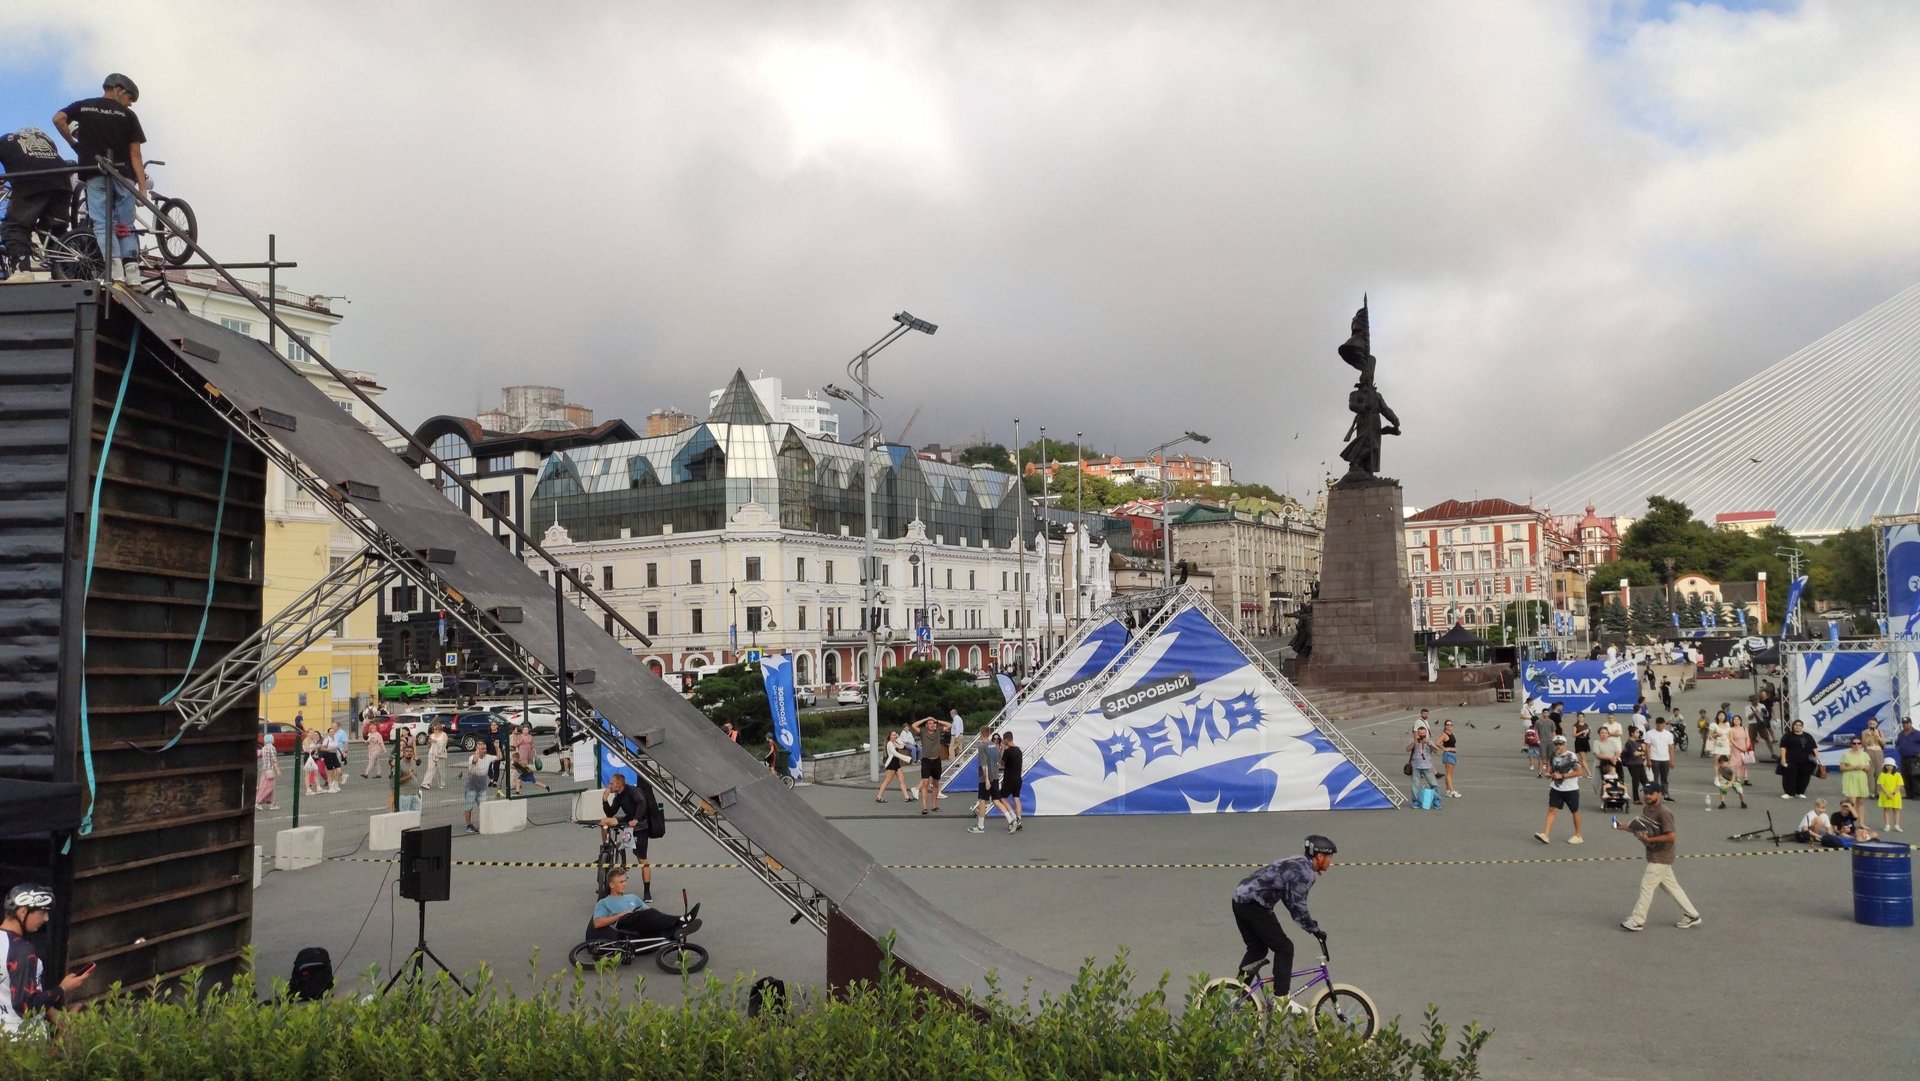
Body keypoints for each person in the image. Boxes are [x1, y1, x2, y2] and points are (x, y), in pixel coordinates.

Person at [52, 74, 146, 286]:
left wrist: (72, 142)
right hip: (124, 176)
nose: (130, 103)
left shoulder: (84, 106)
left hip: (95, 173)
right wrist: (142, 188)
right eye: (130, 98)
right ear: (119, 89)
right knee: (126, 225)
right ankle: (133, 276)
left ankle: (115, 273)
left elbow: (58, 119)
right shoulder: (128, 115)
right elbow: (136, 154)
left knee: (103, 224)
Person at [1229, 835, 1334, 994]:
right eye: (1329, 857)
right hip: (1254, 905)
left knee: (1257, 949)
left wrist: (1310, 925)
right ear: (1319, 856)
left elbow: (1288, 898)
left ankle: (1237, 996)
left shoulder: (1298, 861)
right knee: (1285, 948)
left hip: (1240, 899)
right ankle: (1281, 999)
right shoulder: (1305, 873)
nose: (1330, 861)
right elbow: (1297, 905)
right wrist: (1314, 929)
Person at [1, 884, 89, 1035]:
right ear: (23, 912)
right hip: (23, 1039)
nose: (46, 918)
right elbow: (25, 1007)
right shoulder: (22, 951)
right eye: (42, 912)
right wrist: (62, 988)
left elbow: (9, 991)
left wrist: (54, 1015)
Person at [1617, 783, 1702, 931]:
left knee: (1646, 887)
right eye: (1645, 793)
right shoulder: (1646, 809)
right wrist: (1623, 826)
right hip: (1653, 854)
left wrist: (1650, 840)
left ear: (1659, 794)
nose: (1647, 796)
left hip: (1661, 856)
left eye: (1651, 793)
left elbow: (1671, 836)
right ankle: (1692, 915)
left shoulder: (1664, 812)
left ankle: (1637, 920)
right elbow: (1642, 827)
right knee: (1673, 888)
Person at [0, 126, 73, 281]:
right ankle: (64, 273)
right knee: (53, 229)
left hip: (32, 181)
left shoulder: (4, 140)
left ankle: (22, 270)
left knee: (15, 226)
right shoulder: (46, 139)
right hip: (62, 182)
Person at [586, 868, 684, 943]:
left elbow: (652, 916)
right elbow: (597, 923)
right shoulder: (604, 902)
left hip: (639, 923)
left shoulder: (633, 897)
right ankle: (681, 920)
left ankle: (678, 928)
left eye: (625, 881)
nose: (625, 884)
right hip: (623, 924)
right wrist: (620, 915)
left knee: (652, 914)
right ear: (611, 885)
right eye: (621, 882)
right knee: (650, 913)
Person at [1534, 734, 1586, 845]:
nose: (1558, 746)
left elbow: (1579, 772)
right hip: (1556, 788)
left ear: (1565, 744)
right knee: (1551, 810)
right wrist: (1549, 773)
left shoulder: (1571, 756)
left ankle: (1578, 835)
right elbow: (1551, 768)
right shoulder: (1553, 755)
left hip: (1570, 789)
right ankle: (1545, 834)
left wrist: (1562, 776)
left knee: (1574, 811)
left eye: (1560, 744)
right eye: (1556, 744)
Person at [911, 715, 949, 815]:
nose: (932, 725)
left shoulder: (938, 731)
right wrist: (925, 719)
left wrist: (937, 720)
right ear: (926, 725)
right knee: (925, 783)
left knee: (936, 784)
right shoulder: (922, 731)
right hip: (926, 760)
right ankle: (924, 807)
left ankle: (934, 806)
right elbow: (914, 725)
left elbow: (949, 725)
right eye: (930, 723)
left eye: (933, 723)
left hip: (936, 760)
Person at [970, 730, 1003, 835]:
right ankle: (1011, 818)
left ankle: (980, 825)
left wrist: (987, 779)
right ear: (989, 734)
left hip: (985, 778)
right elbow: (999, 761)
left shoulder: (982, 747)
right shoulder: (995, 746)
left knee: (982, 800)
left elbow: (984, 765)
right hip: (995, 776)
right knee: (996, 800)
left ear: (981, 735)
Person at [462, 742, 497, 834]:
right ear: (477, 749)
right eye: (482, 749)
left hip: (482, 788)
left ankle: (484, 823)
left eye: (485, 749)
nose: (485, 750)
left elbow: (499, 757)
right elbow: (475, 760)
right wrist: (477, 753)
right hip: (471, 787)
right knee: (468, 807)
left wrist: (497, 747)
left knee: (483, 806)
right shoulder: (472, 758)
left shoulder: (488, 757)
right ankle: (469, 825)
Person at [1780, 719, 1818, 799]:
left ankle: (1800, 792)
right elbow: (1783, 747)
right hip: (1791, 759)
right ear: (1793, 726)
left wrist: (1816, 757)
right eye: (1796, 725)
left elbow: (1814, 747)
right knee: (1789, 776)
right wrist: (1783, 758)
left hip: (1805, 761)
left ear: (1802, 727)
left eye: (1800, 725)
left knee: (1804, 776)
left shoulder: (1808, 736)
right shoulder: (1788, 736)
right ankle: (1789, 793)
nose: (1798, 727)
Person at [876, 726, 914, 803]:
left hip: (896, 763)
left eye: (895, 735)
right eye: (893, 735)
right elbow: (895, 754)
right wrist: (907, 758)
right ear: (889, 736)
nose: (894, 736)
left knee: (902, 780)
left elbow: (902, 746)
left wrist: (898, 738)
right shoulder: (889, 744)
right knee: (887, 781)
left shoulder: (895, 742)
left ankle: (907, 797)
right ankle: (879, 797)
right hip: (891, 764)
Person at [999, 729, 1025, 833]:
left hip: (1009, 779)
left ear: (1006, 740)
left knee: (1002, 797)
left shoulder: (1008, 751)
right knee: (1016, 799)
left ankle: (1013, 818)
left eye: (1003, 739)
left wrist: (1002, 749)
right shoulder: (1019, 750)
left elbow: (1001, 764)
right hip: (1018, 779)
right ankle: (1019, 820)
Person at [1838, 735, 1873, 810]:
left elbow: (1868, 767)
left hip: (1861, 779)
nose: (1856, 745)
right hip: (1850, 780)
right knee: (1852, 802)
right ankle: (1851, 817)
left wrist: (1864, 766)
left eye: (1858, 743)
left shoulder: (1865, 754)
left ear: (1861, 744)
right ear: (1851, 744)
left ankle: (1861, 818)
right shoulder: (1846, 755)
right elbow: (1842, 768)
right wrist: (1855, 767)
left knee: (1861, 803)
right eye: (1854, 743)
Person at [1406, 724, 1437, 802]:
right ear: (1417, 734)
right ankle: (1415, 802)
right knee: (1415, 786)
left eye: (1423, 734)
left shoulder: (1430, 741)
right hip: (1416, 766)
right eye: (1420, 734)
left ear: (1426, 734)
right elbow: (1407, 749)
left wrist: (1428, 743)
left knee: (1434, 784)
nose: (1422, 735)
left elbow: (1436, 751)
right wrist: (1415, 742)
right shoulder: (1413, 741)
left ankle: (1437, 801)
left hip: (1427, 766)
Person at [1644, 717, 1675, 794]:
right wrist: (1648, 760)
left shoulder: (1668, 734)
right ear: (1656, 724)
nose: (1660, 727)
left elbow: (1671, 748)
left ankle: (1665, 793)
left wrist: (1672, 761)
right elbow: (1647, 748)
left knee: (1664, 778)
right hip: (1654, 758)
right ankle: (1655, 793)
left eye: (1661, 725)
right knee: (1654, 778)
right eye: (1658, 725)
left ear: (1664, 724)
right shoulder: (1649, 733)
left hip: (1665, 759)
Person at [1591, 721, 1623, 795]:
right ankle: (1602, 795)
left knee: (1613, 780)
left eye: (1606, 733)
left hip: (1612, 763)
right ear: (1599, 734)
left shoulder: (1612, 742)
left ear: (1608, 734)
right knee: (1596, 782)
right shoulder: (1596, 742)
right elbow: (1597, 754)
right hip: (1600, 763)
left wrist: (1614, 758)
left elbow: (1618, 752)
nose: (1604, 734)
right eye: (1602, 733)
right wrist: (1610, 758)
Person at [1621, 725, 1649, 804]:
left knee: (1645, 781)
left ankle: (1648, 796)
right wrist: (1642, 752)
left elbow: (1641, 752)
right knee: (1636, 781)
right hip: (1633, 764)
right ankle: (1636, 799)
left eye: (1638, 732)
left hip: (1639, 763)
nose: (1638, 734)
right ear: (1632, 733)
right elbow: (1635, 753)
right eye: (1636, 732)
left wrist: (1642, 752)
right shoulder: (1629, 743)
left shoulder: (1637, 742)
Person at [1895, 718, 1920, 800]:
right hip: (1904, 758)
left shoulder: (1917, 734)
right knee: (1905, 776)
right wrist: (1899, 749)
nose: (1905, 725)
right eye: (1904, 723)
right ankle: (1909, 794)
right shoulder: (1901, 734)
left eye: (1907, 723)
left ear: (1911, 723)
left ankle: (1917, 795)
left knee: (1915, 776)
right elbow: (1897, 744)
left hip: (1914, 758)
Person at [1876, 759, 1903, 833]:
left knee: (1896, 810)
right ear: (1884, 766)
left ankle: (1897, 825)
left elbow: (1899, 785)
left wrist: (1893, 793)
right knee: (1886, 809)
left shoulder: (1897, 775)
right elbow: (1881, 785)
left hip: (1895, 795)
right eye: (1887, 765)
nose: (1889, 766)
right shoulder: (1882, 774)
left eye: (1890, 765)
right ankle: (1887, 825)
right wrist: (1887, 794)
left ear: (1894, 766)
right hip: (1885, 795)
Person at [420, 720, 448, 789]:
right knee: (430, 768)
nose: (434, 730)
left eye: (436, 729)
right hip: (432, 753)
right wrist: (429, 742)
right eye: (433, 729)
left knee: (440, 770)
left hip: (440, 754)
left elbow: (444, 744)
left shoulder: (444, 734)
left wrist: (436, 741)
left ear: (439, 728)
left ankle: (442, 783)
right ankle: (426, 783)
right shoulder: (432, 735)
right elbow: (429, 746)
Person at [255, 732, 278, 811]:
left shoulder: (264, 748)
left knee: (265, 786)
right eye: (273, 738)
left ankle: (272, 803)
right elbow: (274, 759)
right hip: (270, 770)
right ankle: (258, 801)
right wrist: (277, 769)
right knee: (269, 787)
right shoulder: (272, 748)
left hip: (264, 769)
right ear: (271, 740)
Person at [1439, 718, 1461, 798]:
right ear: (1445, 726)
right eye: (1447, 725)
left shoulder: (1451, 733)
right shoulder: (1444, 734)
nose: (1449, 726)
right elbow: (1437, 743)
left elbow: (1450, 743)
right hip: (1448, 755)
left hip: (1453, 755)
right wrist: (1445, 749)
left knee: (1449, 774)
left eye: (1451, 725)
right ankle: (1452, 791)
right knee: (1449, 774)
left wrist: (1452, 748)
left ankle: (1448, 790)